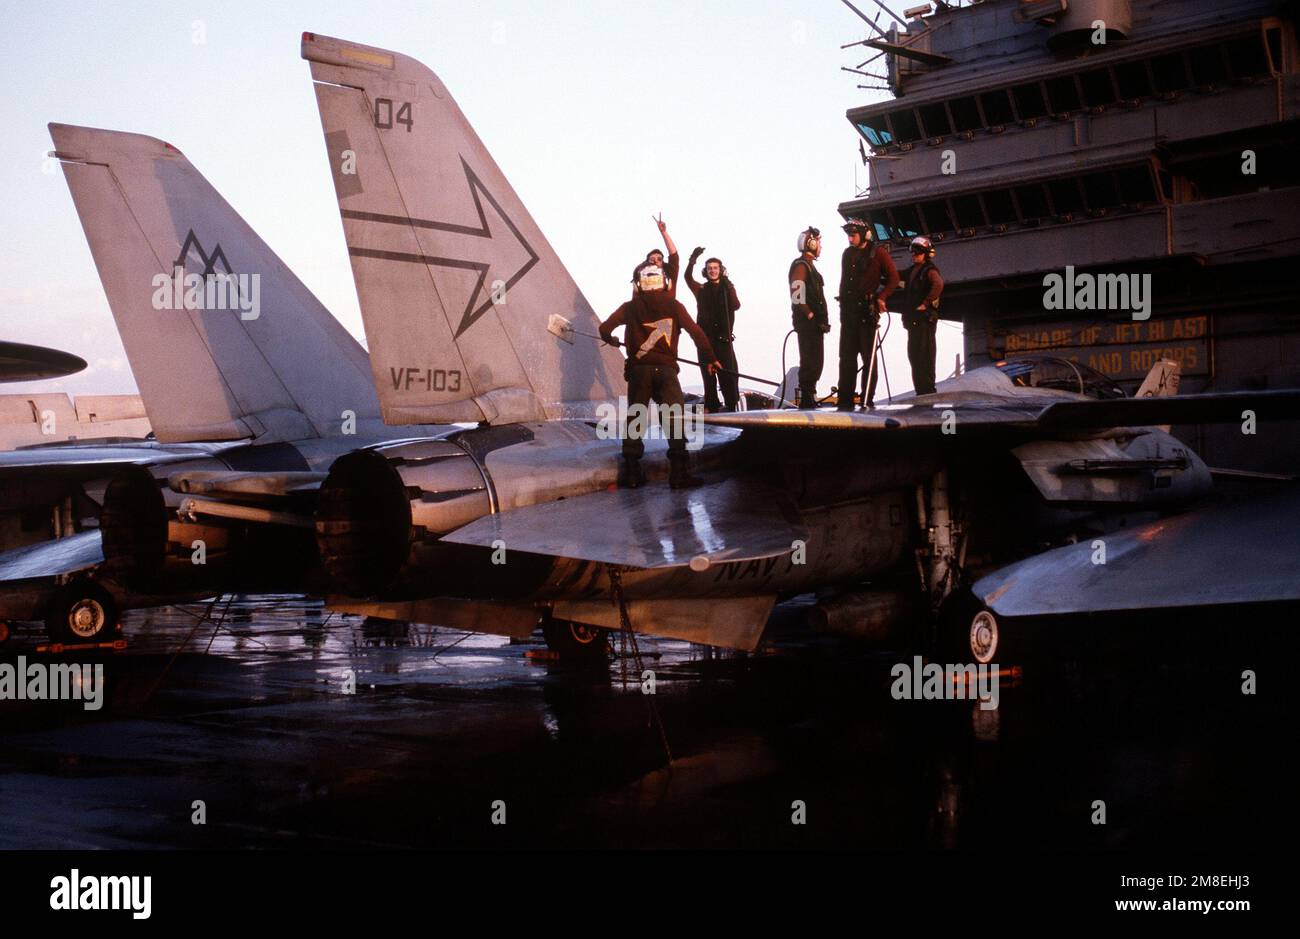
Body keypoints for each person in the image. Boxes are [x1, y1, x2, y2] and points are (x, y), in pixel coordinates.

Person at [600, 262, 722, 489]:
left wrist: (612, 340)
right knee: (673, 419)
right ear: (663, 281)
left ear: (639, 283)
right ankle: (679, 475)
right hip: (666, 372)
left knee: (636, 418)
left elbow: (604, 329)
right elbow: (697, 333)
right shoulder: (674, 305)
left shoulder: (630, 307)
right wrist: (711, 358)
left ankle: (632, 474)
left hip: (639, 371)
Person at [836, 217, 898, 411]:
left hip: (866, 313)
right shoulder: (847, 254)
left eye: (853, 235)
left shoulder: (878, 253)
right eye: (848, 236)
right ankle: (844, 400)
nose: (849, 239)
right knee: (846, 358)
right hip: (848, 313)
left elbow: (893, 279)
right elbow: (844, 281)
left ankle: (866, 399)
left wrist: (881, 298)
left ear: (862, 235)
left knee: (868, 358)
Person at [685, 247, 741, 412]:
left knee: (729, 376)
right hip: (705, 341)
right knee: (708, 378)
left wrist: (727, 284)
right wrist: (692, 259)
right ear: (706, 271)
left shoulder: (727, 289)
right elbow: (687, 278)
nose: (713, 271)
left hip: (724, 341)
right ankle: (712, 406)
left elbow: (736, 305)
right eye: (710, 268)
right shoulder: (701, 289)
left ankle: (731, 406)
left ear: (721, 270)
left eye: (716, 268)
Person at [789, 226, 828, 409]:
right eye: (818, 242)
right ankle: (807, 397)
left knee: (816, 360)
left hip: (814, 324)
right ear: (811, 243)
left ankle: (810, 395)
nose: (820, 246)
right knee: (810, 360)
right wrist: (810, 314)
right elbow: (796, 293)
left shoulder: (809, 266)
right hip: (808, 324)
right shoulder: (801, 265)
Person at [900, 236, 944, 396]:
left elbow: (938, 284)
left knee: (924, 355)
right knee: (914, 355)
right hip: (914, 321)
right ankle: (921, 391)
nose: (914, 255)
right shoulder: (912, 271)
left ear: (926, 253)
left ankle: (927, 392)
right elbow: (896, 276)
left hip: (924, 320)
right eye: (913, 252)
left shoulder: (929, 271)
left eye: (917, 253)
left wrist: (925, 303)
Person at [639, 214, 680, 298]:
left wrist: (664, 232)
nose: (656, 261)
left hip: (668, 310)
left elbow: (674, 255)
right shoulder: (641, 277)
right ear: (647, 262)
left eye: (659, 259)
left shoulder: (670, 275)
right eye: (652, 259)